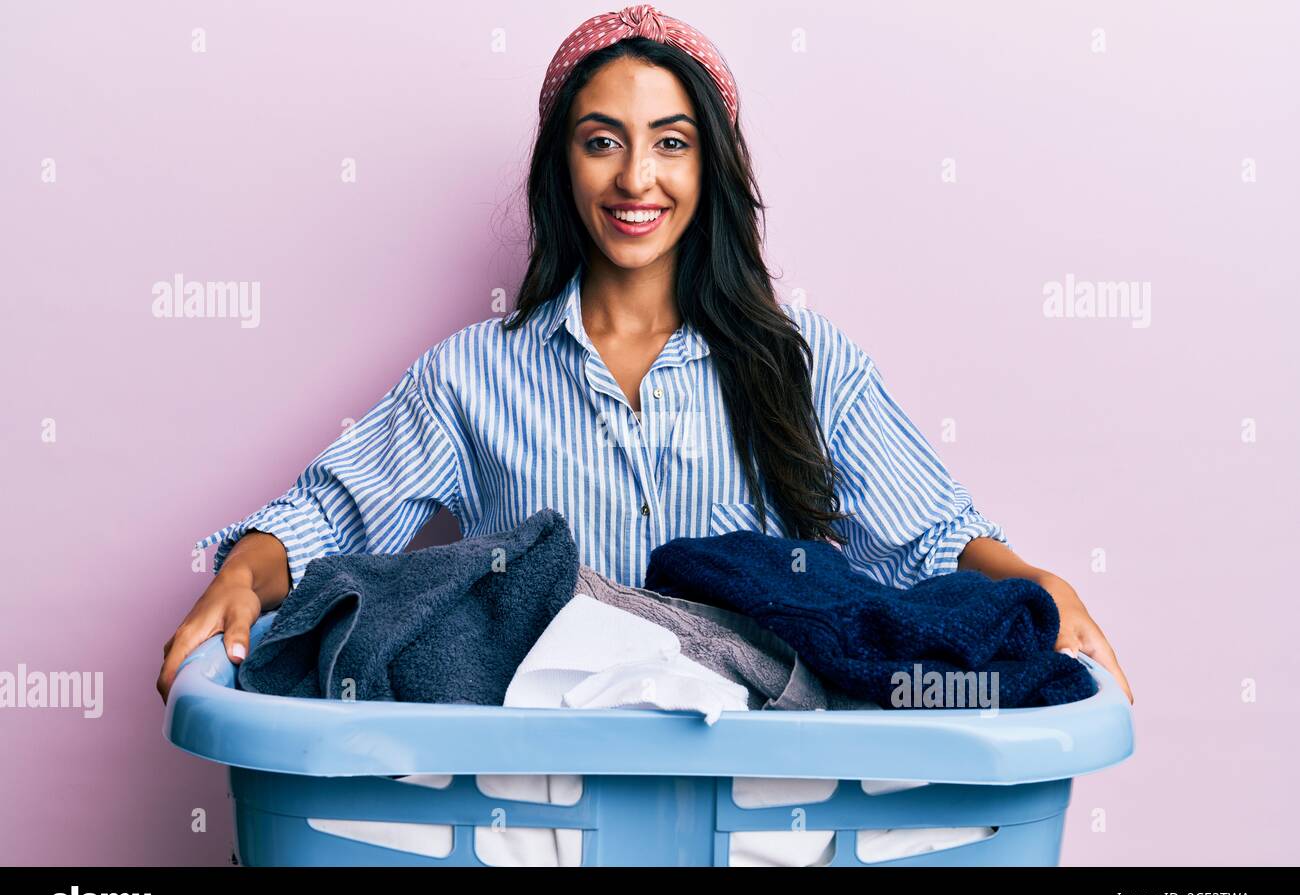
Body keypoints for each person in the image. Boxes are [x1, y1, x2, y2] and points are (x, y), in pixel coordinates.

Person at [158, 5, 1133, 704]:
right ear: (562, 164)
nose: (636, 177)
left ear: (709, 164)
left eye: (670, 142)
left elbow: (928, 536)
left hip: (767, 793)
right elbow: (331, 510)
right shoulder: (470, 374)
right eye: (601, 141)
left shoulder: (806, 359)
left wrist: (1039, 586)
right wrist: (247, 569)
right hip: (537, 796)